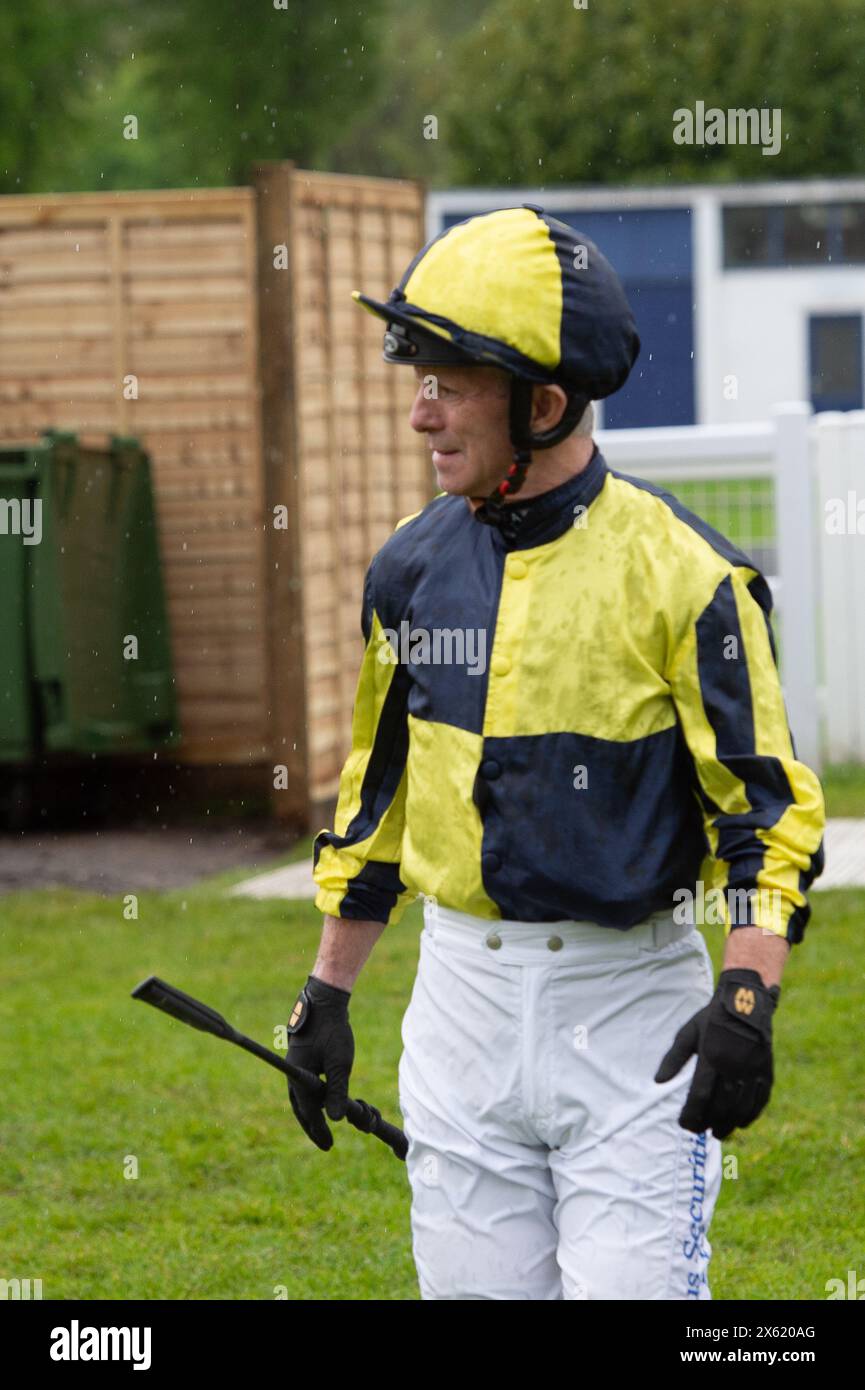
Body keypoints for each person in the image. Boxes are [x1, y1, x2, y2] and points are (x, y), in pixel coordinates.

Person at [285, 205, 826, 1300]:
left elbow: (765, 820)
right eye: (417, 379)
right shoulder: (406, 573)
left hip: (630, 1016)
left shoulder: (690, 578)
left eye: (446, 382)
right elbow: (376, 810)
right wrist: (326, 993)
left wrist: (742, 1001)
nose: (416, 414)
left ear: (542, 401)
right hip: (458, 1012)